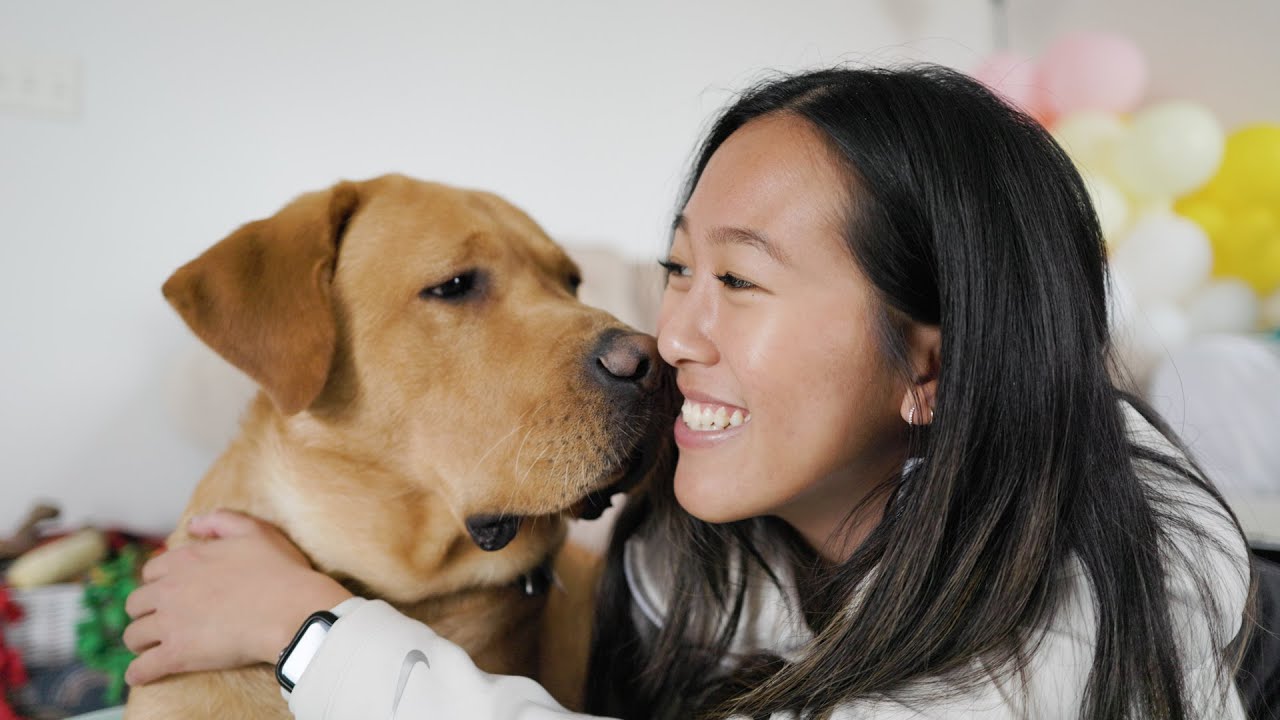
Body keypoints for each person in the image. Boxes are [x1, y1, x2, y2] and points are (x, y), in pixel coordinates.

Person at [121, 65, 1255, 719]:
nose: (653, 341)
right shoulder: (682, 553)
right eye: (677, 271)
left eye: (740, 280)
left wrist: (307, 636)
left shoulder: (1085, 591)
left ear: (930, 367)